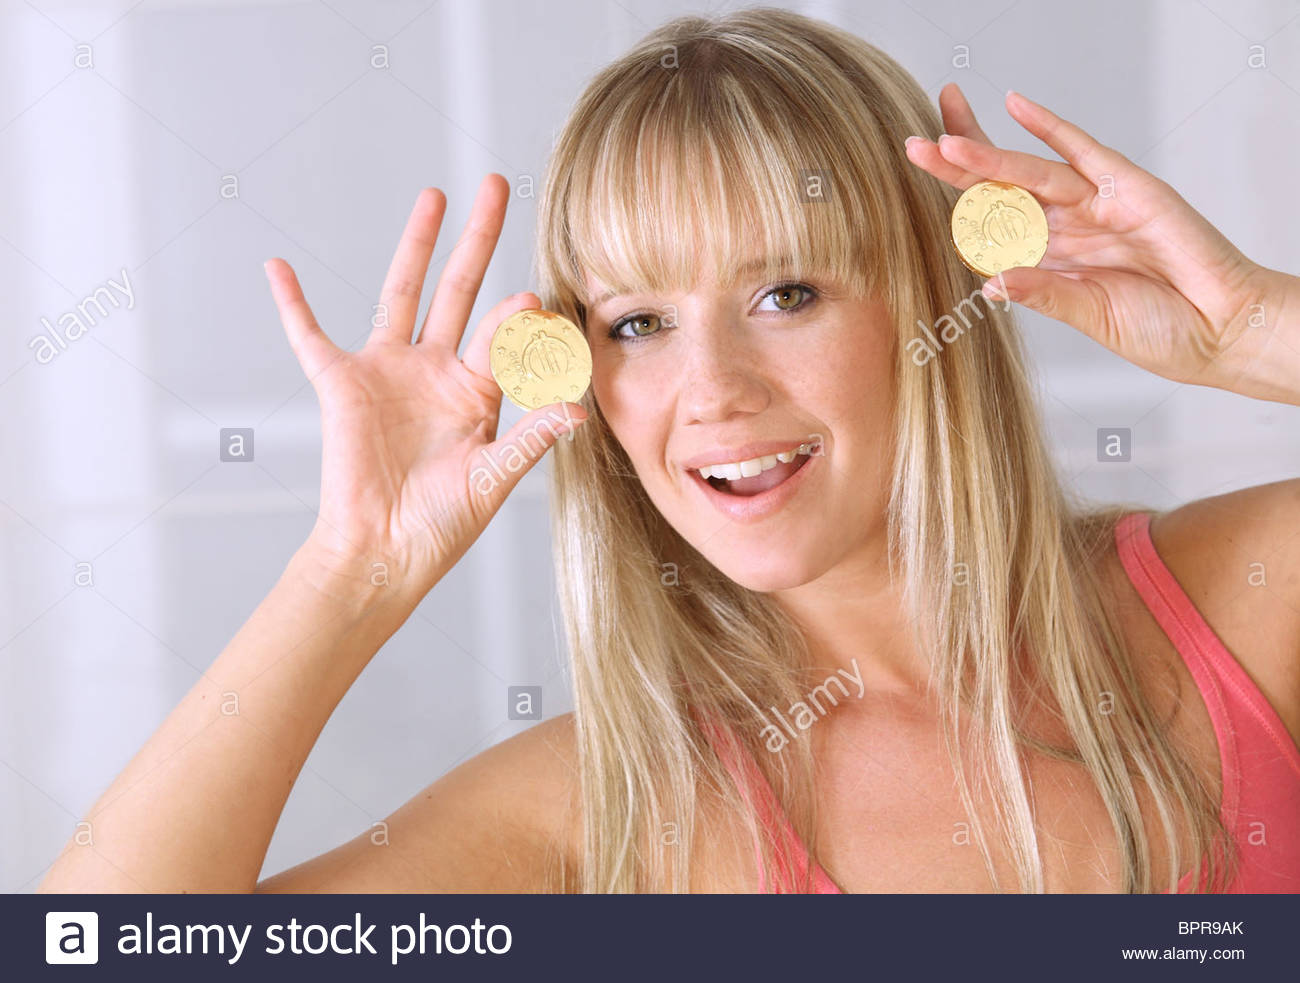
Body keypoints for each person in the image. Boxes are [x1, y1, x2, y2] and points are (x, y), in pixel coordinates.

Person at [40, 8, 1300, 895]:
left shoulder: (1240, 606)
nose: (712, 391)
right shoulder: (604, 810)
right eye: (637, 323)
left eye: (786, 293)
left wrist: (1255, 331)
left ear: (936, 298)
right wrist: (351, 567)